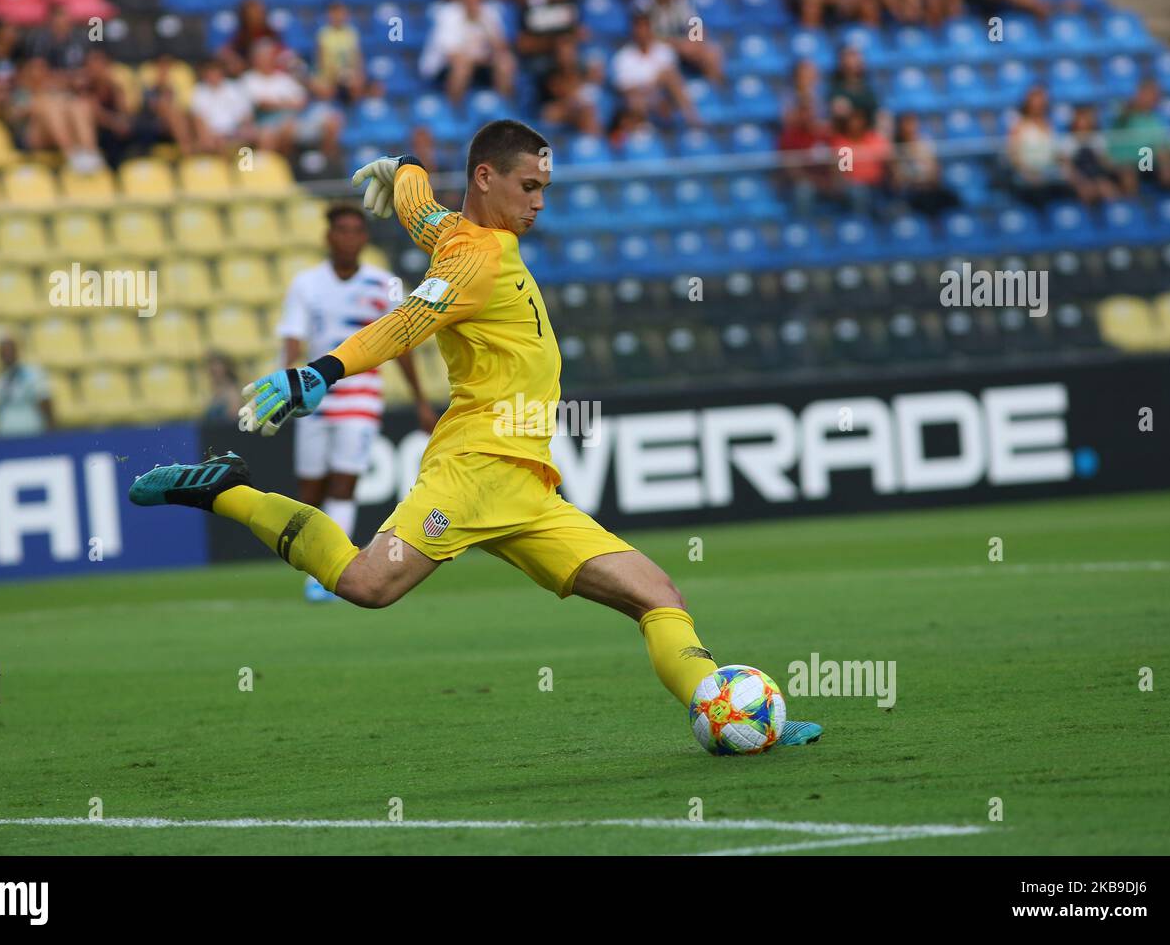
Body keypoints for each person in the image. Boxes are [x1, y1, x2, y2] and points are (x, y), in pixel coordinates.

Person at [128, 119, 822, 747]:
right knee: (368, 585)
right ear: (486, 178)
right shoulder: (476, 258)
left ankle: (729, 710)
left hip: (527, 486)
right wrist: (321, 372)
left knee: (658, 595)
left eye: (544, 187)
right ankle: (227, 489)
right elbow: (408, 321)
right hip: (473, 470)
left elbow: (418, 206)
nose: (539, 201)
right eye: (529, 185)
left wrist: (402, 164)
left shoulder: (456, 235)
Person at [276, 204, 438, 602]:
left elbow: (401, 344)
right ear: (328, 236)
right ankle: (317, 562)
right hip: (315, 396)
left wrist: (420, 401)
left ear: (364, 238)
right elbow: (293, 340)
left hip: (361, 397)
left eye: (355, 231)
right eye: (341, 230)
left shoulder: (384, 284)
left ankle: (327, 575)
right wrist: (285, 383)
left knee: (345, 484)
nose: (349, 238)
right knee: (311, 490)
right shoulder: (306, 284)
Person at [419, 0, 517, 106]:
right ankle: (455, 111)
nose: (473, 3)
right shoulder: (448, 14)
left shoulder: (489, 13)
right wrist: (480, 59)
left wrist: (485, 24)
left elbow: (501, 48)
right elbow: (452, 55)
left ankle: (505, 110)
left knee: (506, 62)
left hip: (481, 63)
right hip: (444, 67)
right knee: (462, 66)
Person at [0, 334, 55, 436]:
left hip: (31, 433)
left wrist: (52, 431)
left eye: (9, 351)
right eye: (3, 352)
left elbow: (45, 401)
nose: (7, 355)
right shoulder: (1, 379)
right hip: (6, 436)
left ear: (16, 352)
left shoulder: (32, 374)